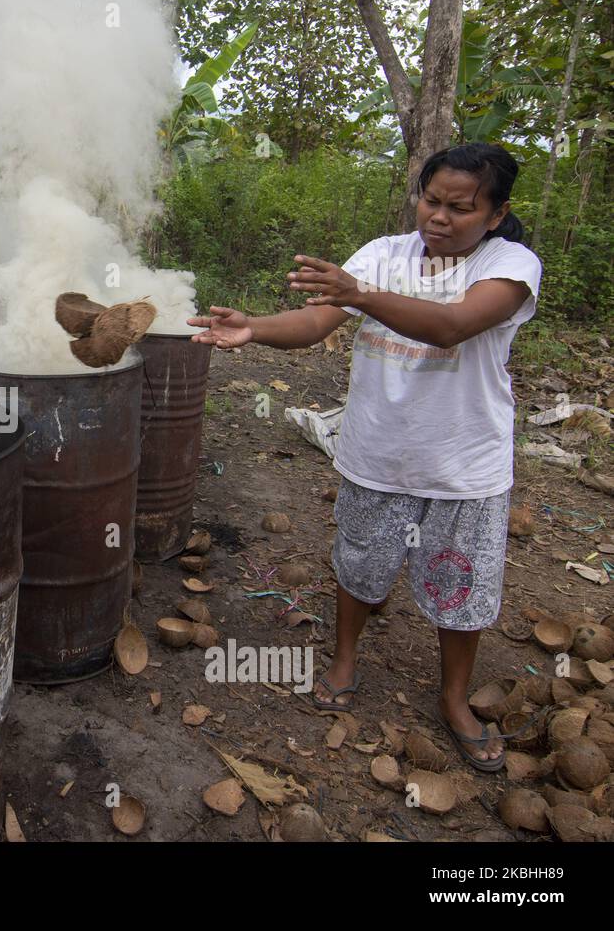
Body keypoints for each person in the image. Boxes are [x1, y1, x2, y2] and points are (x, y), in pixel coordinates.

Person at [188, 142, 543, 772]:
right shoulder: (382, 256)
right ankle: (345, 658)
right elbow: (316, 320)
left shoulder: (510, 265)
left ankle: (454, 699)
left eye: (459, 207)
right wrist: (255, 327)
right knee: (359, 564)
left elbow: (452, 325)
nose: (438, 216)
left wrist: (360, 294)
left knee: (460, 585)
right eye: (430, 200)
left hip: (463, 467)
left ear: (494, 214)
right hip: (377, 451)